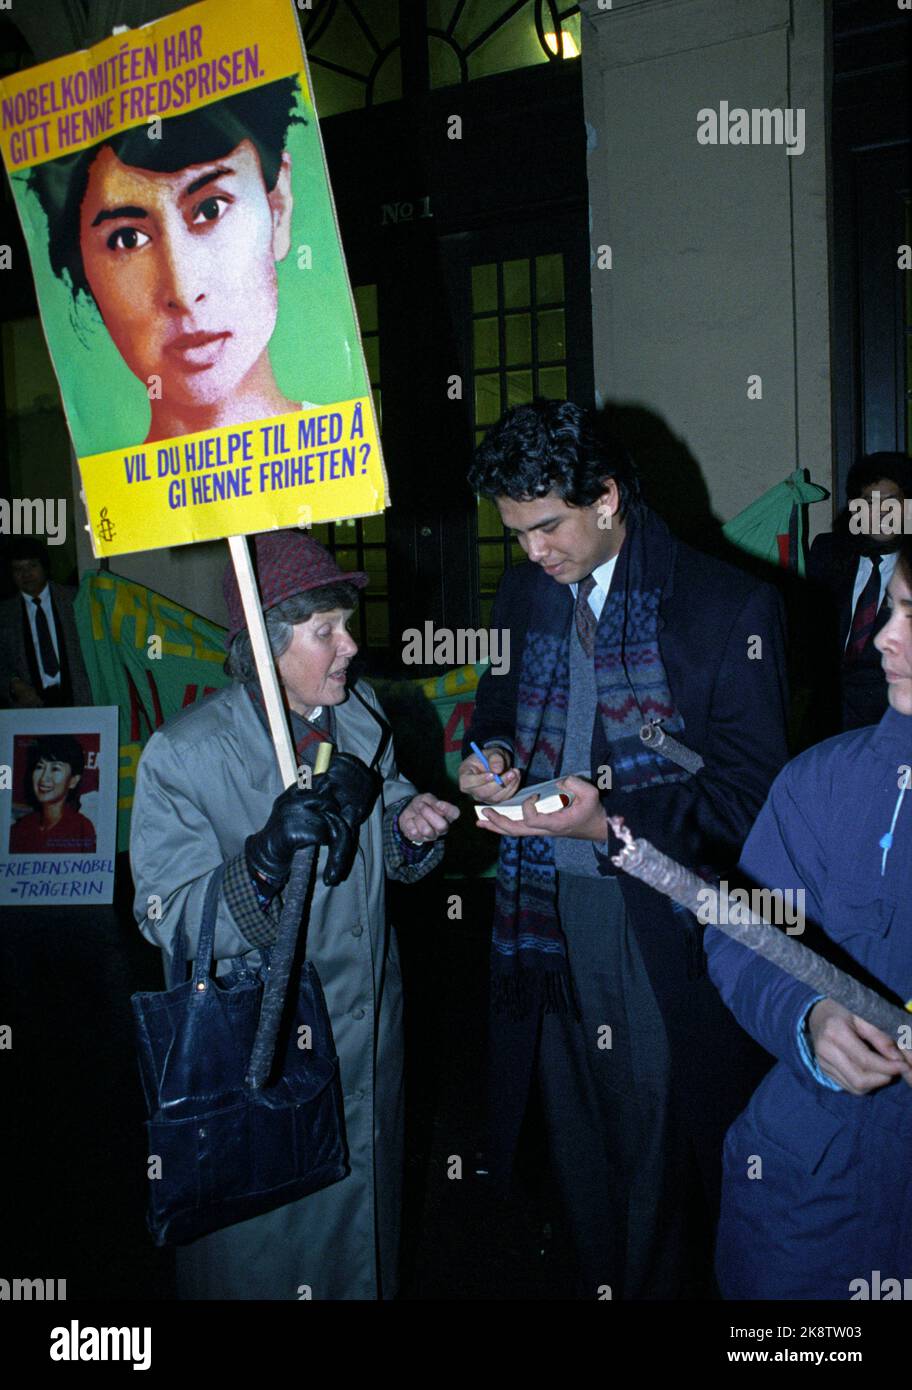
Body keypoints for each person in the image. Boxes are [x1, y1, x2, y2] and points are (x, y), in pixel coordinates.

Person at [460, 399, 789, 1299]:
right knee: (574, 1149)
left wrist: (609, 826)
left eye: (547, 527)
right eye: (516, 533)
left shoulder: (728, 607)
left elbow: (749, 803)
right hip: (537, 918)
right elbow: (495, 714)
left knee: (656, 1157)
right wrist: (488, 760)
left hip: (655, 926)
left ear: (606, 497)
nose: (532, 553)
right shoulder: (527, 588)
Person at [130, 531, 459, 1299]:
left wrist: (409, 827)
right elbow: (166, 917)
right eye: (326, 633)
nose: (350, 646)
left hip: (365, 1051)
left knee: (362, 1257)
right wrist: (263, 865)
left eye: (347, 623)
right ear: (268, 646)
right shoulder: (184, 758)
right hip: (259, 1067)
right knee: (269, 1265)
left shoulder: (362, 716)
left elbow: (390, 817)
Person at [706, 535, 912, 1299]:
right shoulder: (822, 781)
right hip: (817, 1190)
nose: (887, 637)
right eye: (894, 608)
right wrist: (813, 1015)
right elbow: (748, 932)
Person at [27, 79, 304, 443]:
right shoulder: (100, 497)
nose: (184, 291)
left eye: (210, 209)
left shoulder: (353, 464)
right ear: (83, 274)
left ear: (278, 208)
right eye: (128, 238)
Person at [806, 452, 912, 733]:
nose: (880, 513)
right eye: (869, 503)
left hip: (893, 721)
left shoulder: (908, 570)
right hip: (827, 721)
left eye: (890, 502)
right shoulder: (828, 554)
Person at [0, 537, 93, 709]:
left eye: (32, 566)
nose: (26, 574)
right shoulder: (5, 615)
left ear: (45, 567)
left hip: (80, 699)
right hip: (30, 707)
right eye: (18, 569)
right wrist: (13, 684)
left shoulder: (76, 600)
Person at [9, 734, 96, 854]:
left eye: (55, 769)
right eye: (40, 767)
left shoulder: (82, 829)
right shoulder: (20, 829)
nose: (44, 778)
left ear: (73, 780)